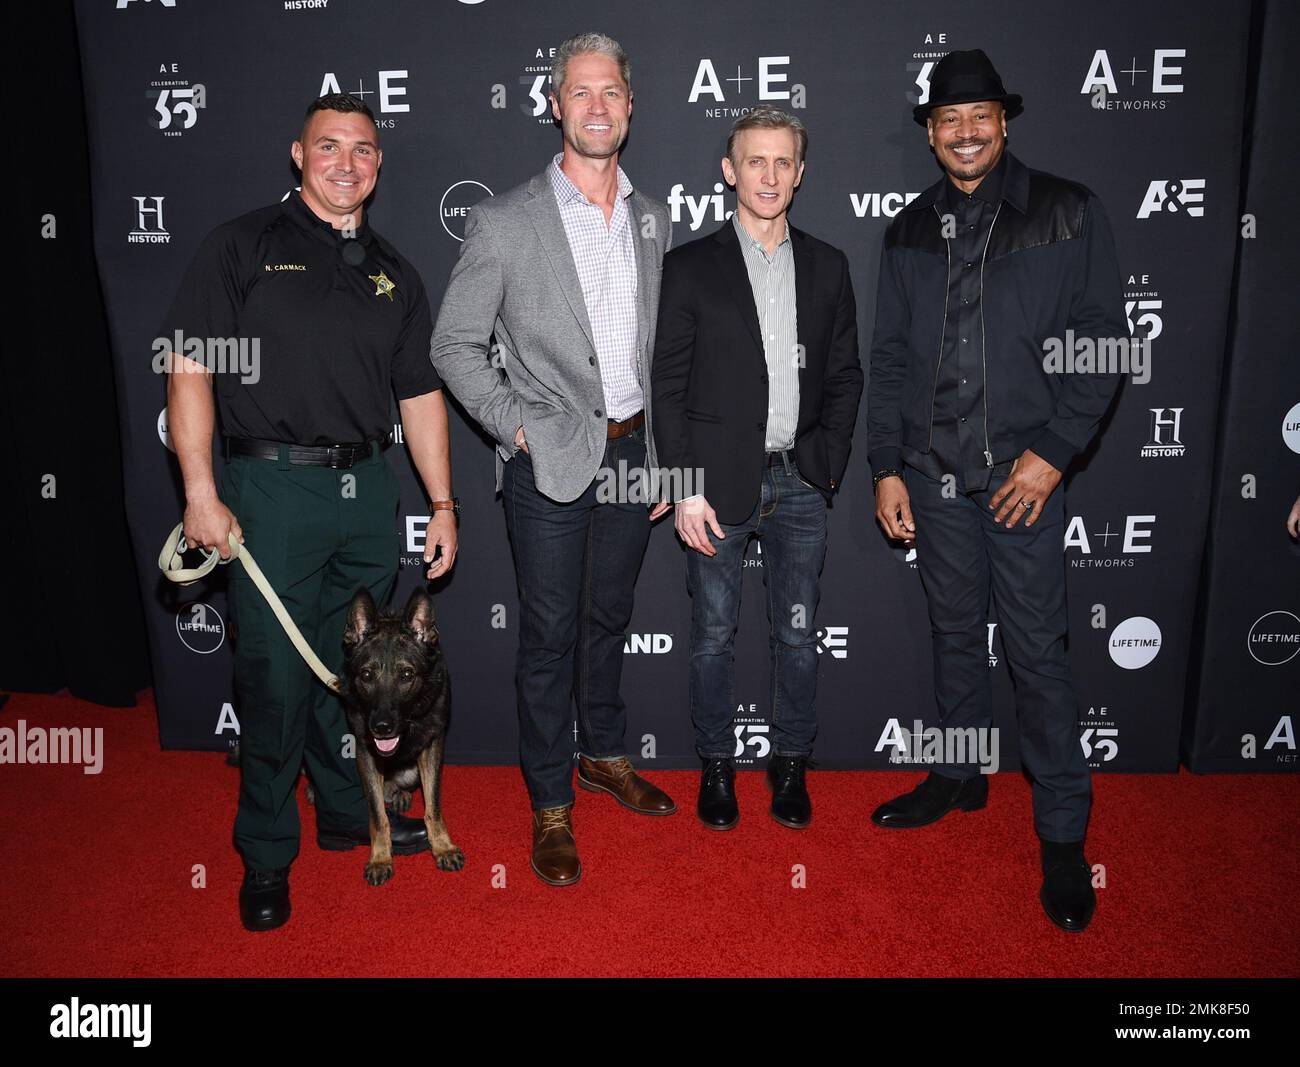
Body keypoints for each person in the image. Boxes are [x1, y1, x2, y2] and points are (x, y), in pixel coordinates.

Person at [164, 93, 458, 931]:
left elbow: (421, 394)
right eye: (328, 146)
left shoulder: (395, 271)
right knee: (273, 681)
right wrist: (198, 491)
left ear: (378, 164)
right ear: (298, 155)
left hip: (367, 490)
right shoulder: (241, 246)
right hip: (271, 492)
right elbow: (189, 367)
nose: (346, 163)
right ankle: (264, 852)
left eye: (363, 150)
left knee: (358, 678)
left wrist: (442, 500)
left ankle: (344, 812)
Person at [866, 50, 1126, 932]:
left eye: (980, 115)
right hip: (934, 476)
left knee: (1038, 657)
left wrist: (1053, 454)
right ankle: (961, 771)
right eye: (949, 119)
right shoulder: (906, 231)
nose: (966, 130)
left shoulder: (1065, 211)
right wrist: (887, 465)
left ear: (1004, 122)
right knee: (950, 634)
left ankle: (1061, 834)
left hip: (1024, 480)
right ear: (931, 132)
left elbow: (1105, 341)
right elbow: (892, 360)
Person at [430, 32, 675, 887]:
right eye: (581, 92)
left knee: (608, 619)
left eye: (612, 91)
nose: (598, 106)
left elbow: (658, 354)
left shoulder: (653, 217)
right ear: (556, 105)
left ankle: (603, 754)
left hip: (634, 454)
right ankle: (549, 802)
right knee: (548, 636)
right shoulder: (504, 221)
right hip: (549, 465)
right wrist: (514, 428)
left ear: (629, 107)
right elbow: (454, 344)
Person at [652, 106, 862, 831]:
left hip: (800, 484)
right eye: (755, 161)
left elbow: (845, 376)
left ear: (800, 174)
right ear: (729, 170)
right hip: (715, 489)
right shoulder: (688, 266)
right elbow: (667, 387)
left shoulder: (830, 266)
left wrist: (824, 464)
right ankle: (716, 763)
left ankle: (791, 761)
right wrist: (681, 484)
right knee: (713, 635)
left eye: (783, 163)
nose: (769, 176)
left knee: (797, 636)